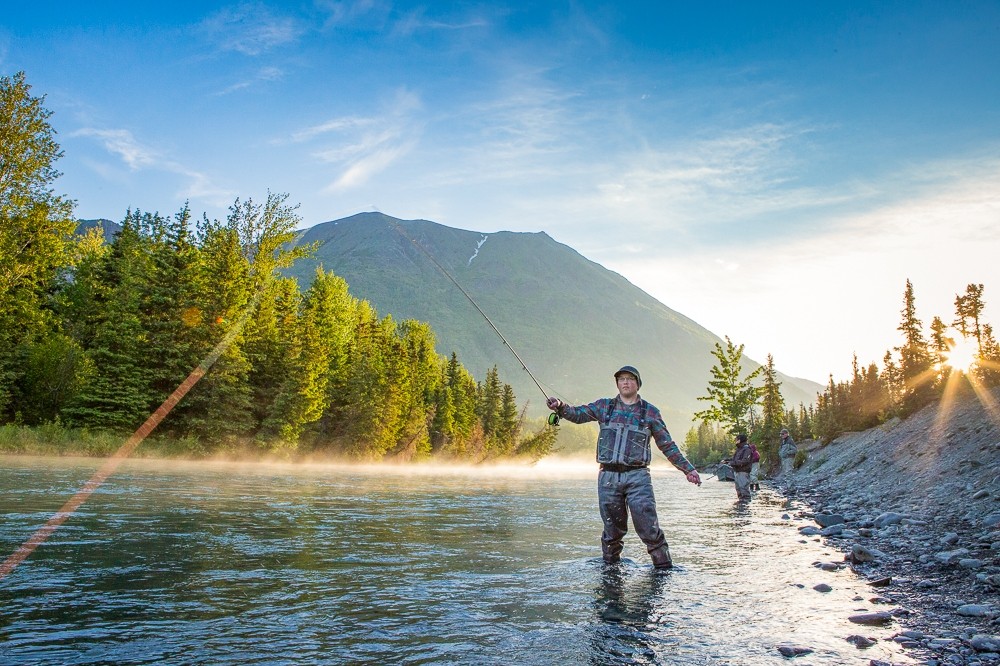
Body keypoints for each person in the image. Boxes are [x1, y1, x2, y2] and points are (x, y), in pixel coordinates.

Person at [546, 365, 701, 570]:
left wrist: (688, 469)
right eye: (621, 379)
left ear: (637, 384)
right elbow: (578, 414)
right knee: (612, 530)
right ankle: (610, 571)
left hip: (638, 477)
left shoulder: (651, 412)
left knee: (648, 527)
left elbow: (667, 444)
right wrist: (560, 406)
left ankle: (664, 571)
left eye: (630, 379)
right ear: (617, 384)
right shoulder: (604, 407)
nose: (625, 382)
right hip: (608, 477)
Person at [729, 434, 753, 500]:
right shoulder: (739, 449)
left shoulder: (747, 449)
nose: (735, 441)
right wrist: (727, 460)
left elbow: (745, 461)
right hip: (737, 471)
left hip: (743, 472)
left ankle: (745, 507)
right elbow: (735, 459)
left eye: (736, 439)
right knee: (739, 490)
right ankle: (740, 506)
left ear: (740, 440)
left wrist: (732, 463)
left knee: (744, 490)